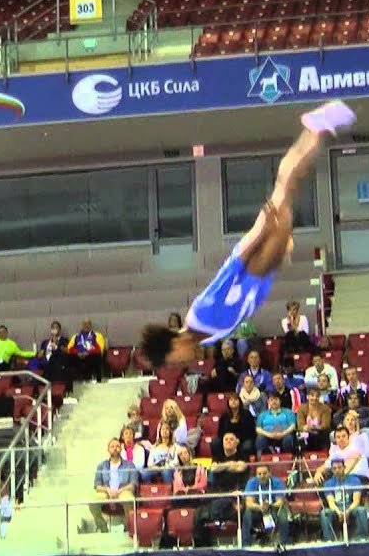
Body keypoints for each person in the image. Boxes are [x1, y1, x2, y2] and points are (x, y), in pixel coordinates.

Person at [139, 102, 357, 367]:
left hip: (250, 261)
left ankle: (315, 128)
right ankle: (315, 129)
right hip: (260, 274)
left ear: (173, 348)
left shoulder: (200, 315)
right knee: (287, 190)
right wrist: (275, 264)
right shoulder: (207, 338)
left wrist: (262, 234)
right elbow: (245, 305)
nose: (179, 363)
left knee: (286, 188)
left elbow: (230, 269)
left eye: (173, 361)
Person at [194, 432, 247, 544]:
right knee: (198, 512)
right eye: (226, 439)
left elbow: (240, 468)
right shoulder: (218, 455)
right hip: (218, 492)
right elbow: (213, 469)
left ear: (237, 442)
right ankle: (201, 543)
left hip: (235, 492)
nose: (228, 441)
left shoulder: (243, 455)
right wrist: (230, 464)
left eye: (231, 439)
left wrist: (221, 466)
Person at [90, 438, 138, 533]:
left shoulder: (129, 465)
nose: (115, 448)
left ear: (121, 449)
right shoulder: (101, 466)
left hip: (123, 491)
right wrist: (108, 490)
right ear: (108, 450)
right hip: (106, 492)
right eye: (112, 446)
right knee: (92, 502)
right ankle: (103, 527)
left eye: (117, 446)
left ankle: (128, 528)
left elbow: (133, 484)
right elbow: (97, 486)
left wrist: (119, 491)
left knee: (129, 499)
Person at [241, 464, 290, 548]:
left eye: (264, 473)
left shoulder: (277, 482)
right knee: (247, 514)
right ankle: (245, 545)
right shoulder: (251, 483)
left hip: (273, 508)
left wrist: (269, 506)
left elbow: (280, 502)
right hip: (257, 509)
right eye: (259, 474)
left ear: (270, 473)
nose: (262, 476)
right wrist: (260, 507)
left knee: (283, 514)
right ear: (256, 475)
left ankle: (284, 543)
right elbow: (249, 503)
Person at [320, 458, 368, 542]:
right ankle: (329, 540)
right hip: (336, 509)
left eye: (339, 467)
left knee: (361, 510)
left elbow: (356, 501)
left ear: (344, 467)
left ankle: (362, 538)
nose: (337, 470)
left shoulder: (355, 480)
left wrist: (348, 511)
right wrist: (339, 512)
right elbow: (331, 502)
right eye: (334, 468)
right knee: (325, 513)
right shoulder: (328, 483)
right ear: (332, 470)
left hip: (351, 507)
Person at [214, 392, 257, 459]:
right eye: (231, 400)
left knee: (247, 445)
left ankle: (245, 460)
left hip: (243, 439)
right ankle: (218, 460)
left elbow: (251, 431)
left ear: (239, 402)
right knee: (215, 443)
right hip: (228, 439)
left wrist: (237, 439)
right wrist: (226, 439)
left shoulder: (246, 414)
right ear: (228, 402)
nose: (233, 402)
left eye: (235, 400)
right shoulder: (224, 416)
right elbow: (220, 432)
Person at [297, 386, 333, 452]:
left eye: (317, 396)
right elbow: (300, 425)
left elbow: (325, 425)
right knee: (302, 436)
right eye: (312, 395)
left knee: (324, 434)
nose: (314, 398)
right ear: (307, 396)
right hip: (306, 432)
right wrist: (306, 428)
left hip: (321, 432)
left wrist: (313, 428)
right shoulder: (301, 408)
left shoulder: (325, 408)